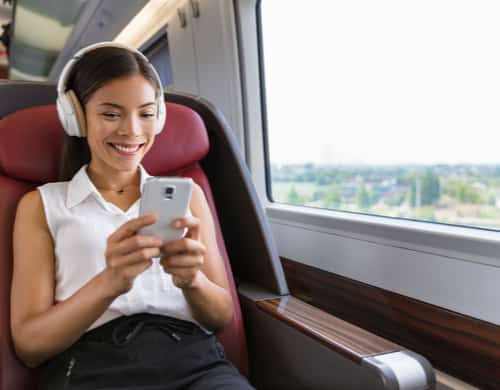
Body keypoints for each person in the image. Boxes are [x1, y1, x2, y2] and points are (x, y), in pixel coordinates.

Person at [10, 42, 254, 390]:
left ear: (160, 115)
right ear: (76, 117)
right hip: (91, 367)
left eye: (146, 113)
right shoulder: (41, 205)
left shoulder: (190, 195)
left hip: (196, 364)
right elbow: (30, 346)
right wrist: (109, 283)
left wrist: (192, 281)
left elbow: (220, 316)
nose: (132, 131)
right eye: (111, 114)